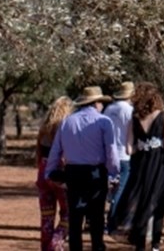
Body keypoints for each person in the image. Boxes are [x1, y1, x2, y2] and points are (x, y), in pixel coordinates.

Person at [44, 86, 121, 251]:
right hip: (95, 173)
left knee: (75, 219)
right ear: (96, 103)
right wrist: (114, 173)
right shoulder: (104, 122)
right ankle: (97, 247)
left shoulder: (67, 122)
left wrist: (49, 172)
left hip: (74, 173)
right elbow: (111, 151)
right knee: (96, 218)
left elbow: (56, 150)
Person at [111, 83, 164, 251]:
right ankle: (155, 244)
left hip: (141, 165)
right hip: (160, 166)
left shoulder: (135, 117)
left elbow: (129, 149)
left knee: (141, 201)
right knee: (159, 203)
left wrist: (143, 145)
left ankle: (140, 243)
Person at [37, 96, 74, 251]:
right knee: (69, 213)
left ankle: (46, 247)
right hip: (59, 174)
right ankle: (56, 242)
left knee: (47, 216)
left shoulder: (44, 129)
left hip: (43, 174)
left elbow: (39, 154)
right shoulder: (65, 128)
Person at [104, 81, 135, 231]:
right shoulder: (130, 111)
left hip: (108, 154)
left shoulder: (109, 109)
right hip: (124, 154)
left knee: (110, 188)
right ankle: (113, 222)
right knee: (120, 189)